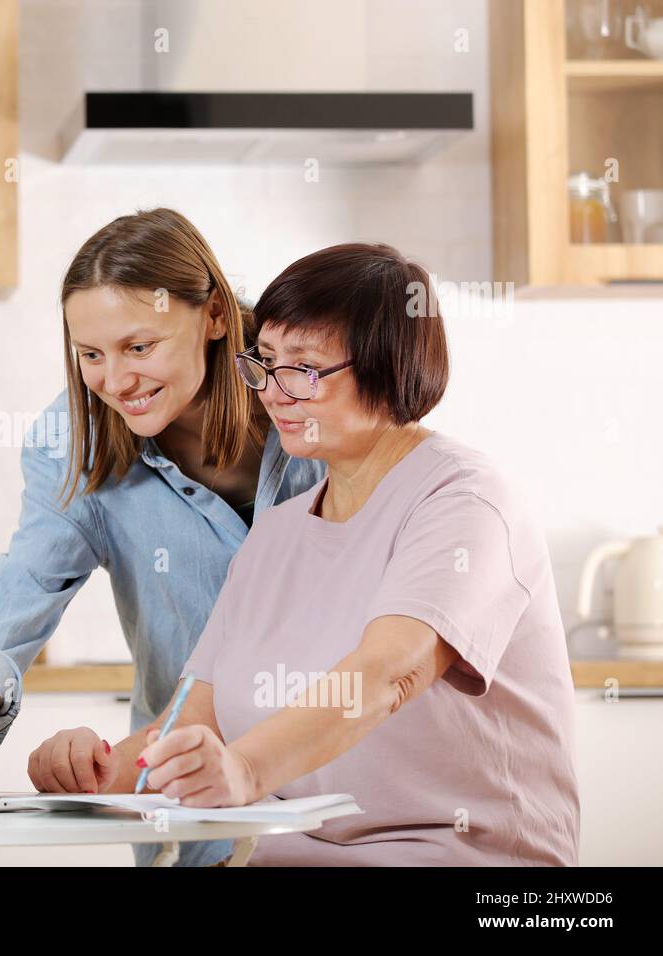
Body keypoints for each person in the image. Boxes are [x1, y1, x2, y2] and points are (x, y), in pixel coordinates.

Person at [28, 242, 579, 865]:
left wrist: (244, 769)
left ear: (389, 366)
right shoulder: (279, 532)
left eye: (305, 369)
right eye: (263, 364)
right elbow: (189, 726)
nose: (273, 392)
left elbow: (386, 674)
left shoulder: (464, 501)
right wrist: (93, 773)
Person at [0, 208, 324, 867]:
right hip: (197, 824)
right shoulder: (74, 445)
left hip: (345, 815)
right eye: (91, 355)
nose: (115, 380)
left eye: (140, 347)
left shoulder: (309, 398)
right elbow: (21, 589)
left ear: (215, 315)